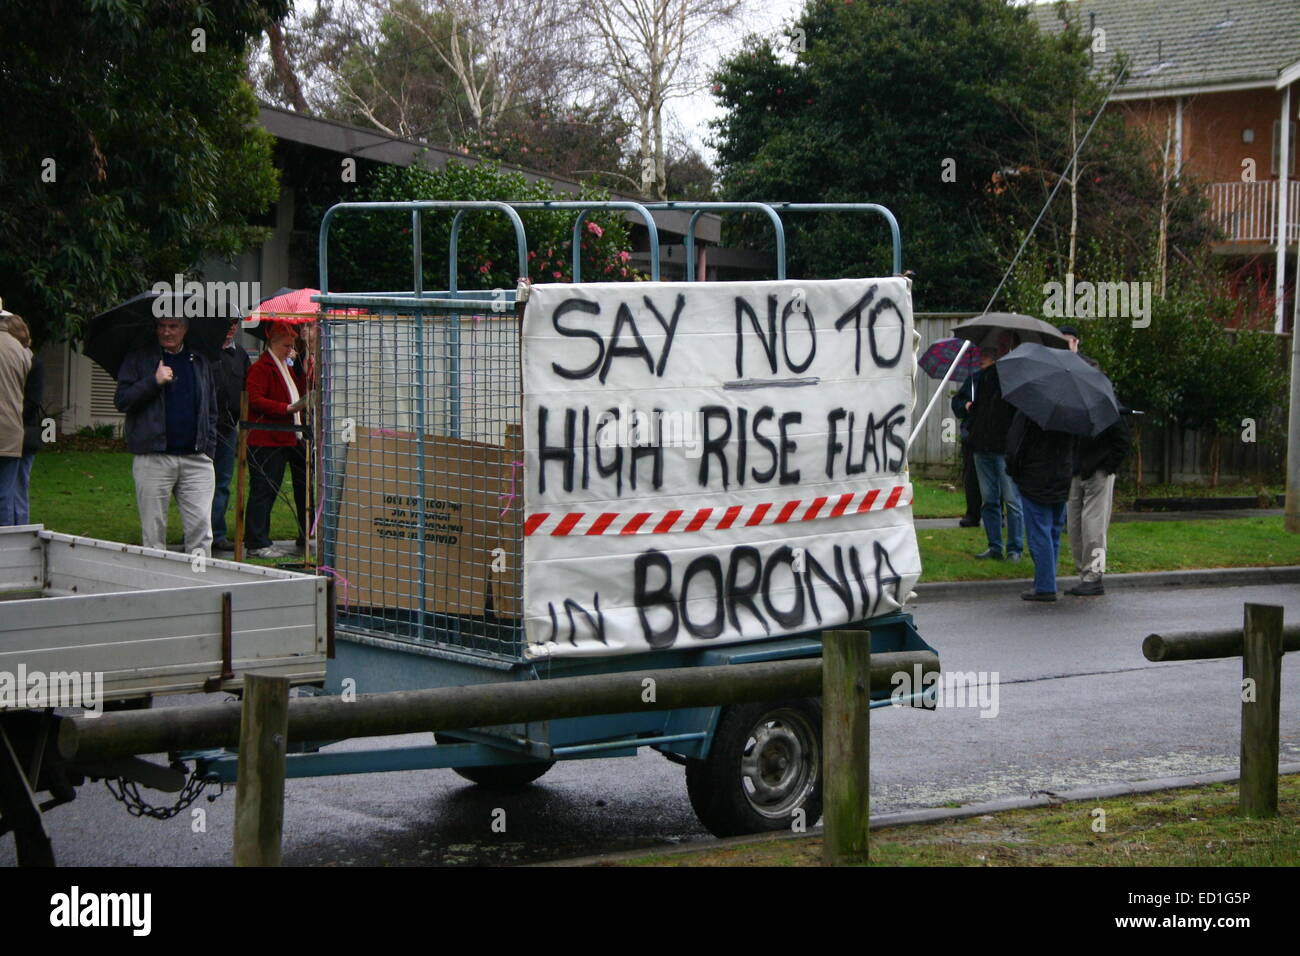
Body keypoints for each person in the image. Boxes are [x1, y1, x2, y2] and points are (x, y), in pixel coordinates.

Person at [114, 314, 218, 555]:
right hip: (154, 458)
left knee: (201, 532)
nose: (167, 332)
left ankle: (198, 584)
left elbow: (211, 409)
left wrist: (208, 450)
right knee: (153, 534)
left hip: (196, 459)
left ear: (185, 328)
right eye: (162, 326)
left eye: (173, 326)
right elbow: (122, 400)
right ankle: (156, 587)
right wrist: (154, 381)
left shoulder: (199, 361)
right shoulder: (140, 358)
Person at [243, 321, 309, 558]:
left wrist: (304, 365)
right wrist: (286, 408)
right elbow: (255, 399)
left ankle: (301, 532)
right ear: (272, 343)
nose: (289, 350)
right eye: (286, 345)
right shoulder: (261, 368)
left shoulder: (285, 365)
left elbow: (296, 389)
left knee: (288, 486)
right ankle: (256, 541)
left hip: (286, 436)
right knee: (264, 489)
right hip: (266, 439)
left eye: (292, 345)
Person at [964, 333, 1024, 560]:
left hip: (1004, 448)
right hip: (982, 445)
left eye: (1004, 345)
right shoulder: (985, 376)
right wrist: (971, 414)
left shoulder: (1018, 378)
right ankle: (995, 546)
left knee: (1012, 501)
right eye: (998, 345)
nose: (999, 349)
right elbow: (977, 406)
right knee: (989, 500)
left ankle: (1015, 548)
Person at [1006, 409, 1075, 602]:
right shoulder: (1070, 414)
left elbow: (1015, 445)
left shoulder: (1029, 411)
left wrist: (1013, 470)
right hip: (1061, 475)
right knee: (1053, 532)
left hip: (1035, 477)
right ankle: (1046, 580)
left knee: (1040, 533)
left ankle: (1045, 585)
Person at [1066, 414, 1130, 596]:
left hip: (1097, 472)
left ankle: (1094, 575)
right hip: (1078, 471)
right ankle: (1085, 574)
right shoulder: (1079, 405)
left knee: (1094, 526)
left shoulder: (1110, 408)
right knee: (1075, 526)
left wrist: (1106, 468)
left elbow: (1123, 441)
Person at [211, 318, 251, 552]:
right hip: (205, 428)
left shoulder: (241, 355)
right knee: (200, 482)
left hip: (229, 428)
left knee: (223, 482)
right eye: (226, 322)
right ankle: (198, 531)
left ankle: (217, 533)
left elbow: (247, 387)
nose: (231, 326)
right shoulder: (206, 352)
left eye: (235, 322)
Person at [0, 314, 44, 524]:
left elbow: (32, 401)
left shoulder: (28, 359)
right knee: (13, 490)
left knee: (16, 489)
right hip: (17, 431)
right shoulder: (27, 356)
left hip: (20, 431)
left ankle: (19, 530)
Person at [950, 349, 983, 527]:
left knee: (995, 480)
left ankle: (997, 514)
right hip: (971, 435)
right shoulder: (972, 380)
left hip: (992, 436)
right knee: (971, 477)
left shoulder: (1002, 379)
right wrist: (965, 405)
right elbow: (957, 402)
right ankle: (973, 514)